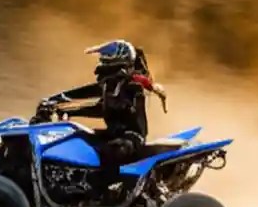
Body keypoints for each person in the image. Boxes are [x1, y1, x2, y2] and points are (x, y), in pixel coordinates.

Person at [35, 39, 165, 171]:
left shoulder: (131, 85)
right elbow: (84, 93)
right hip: (113, 134)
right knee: (76, 138)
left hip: (131, 138)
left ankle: (107, 189)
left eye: (107, 58)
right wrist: (54, 102)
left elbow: (102, 107)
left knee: (108, 151)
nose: (103, 61)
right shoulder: (111, 85)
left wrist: (71, 111)